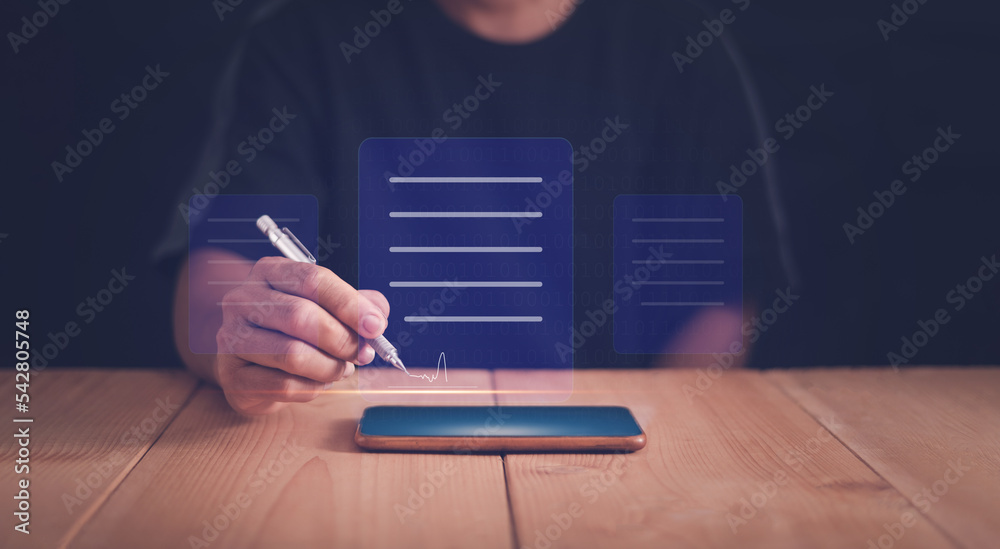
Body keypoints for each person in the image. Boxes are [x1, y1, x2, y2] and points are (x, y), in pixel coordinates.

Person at [156, 0, 793, 415]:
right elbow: (221, 273)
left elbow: (715, 302)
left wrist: (663, 429)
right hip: (342, 451)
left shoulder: (678, 50)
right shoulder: (302, 41)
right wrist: (248, 337)